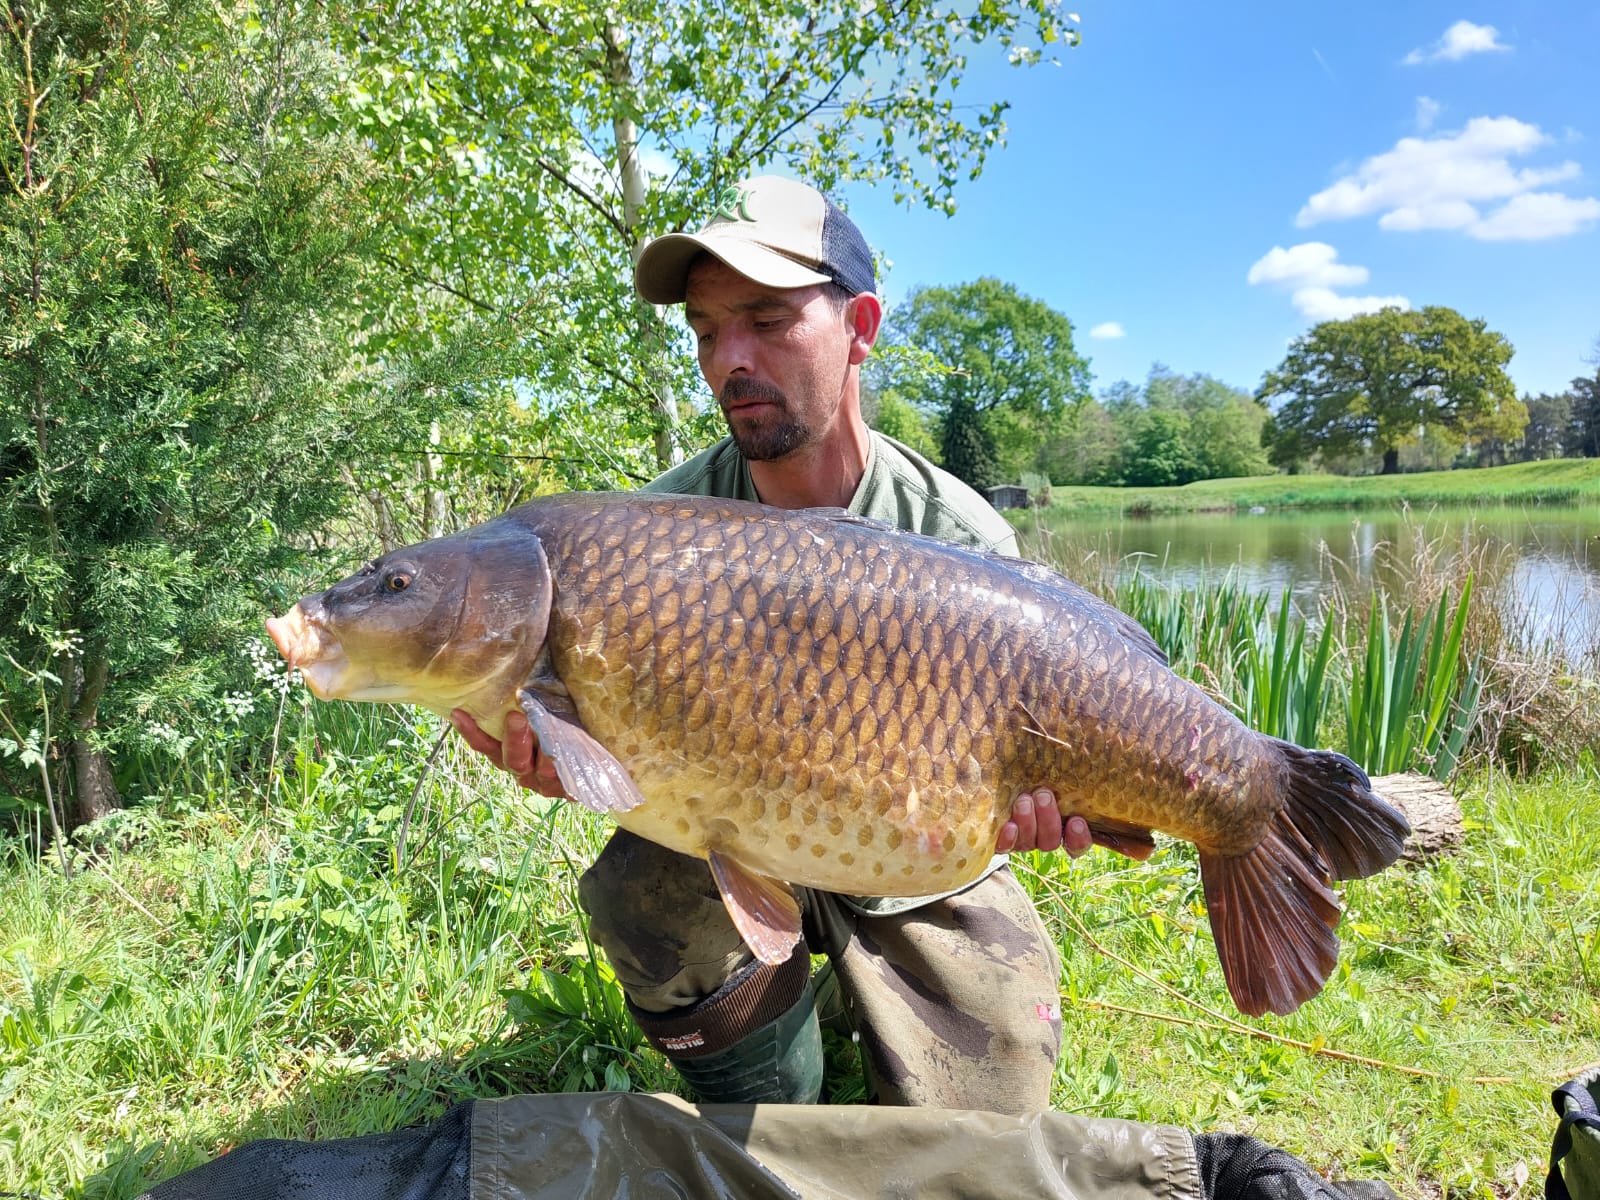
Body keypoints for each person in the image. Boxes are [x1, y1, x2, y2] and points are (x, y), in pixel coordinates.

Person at [453, 175, 1148, 1113]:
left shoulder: (960, 536)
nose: (727, 360)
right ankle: (776, 1105)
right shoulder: (657, 530)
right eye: (705, 331)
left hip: (904, 855)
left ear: (859, 325)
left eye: (767, 321)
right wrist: (566, 760)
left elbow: (1018, 776)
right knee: (639, 897)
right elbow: (601, 744)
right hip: (724, 840)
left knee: (993, 1104)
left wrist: (1039, 808)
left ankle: (855, 989)